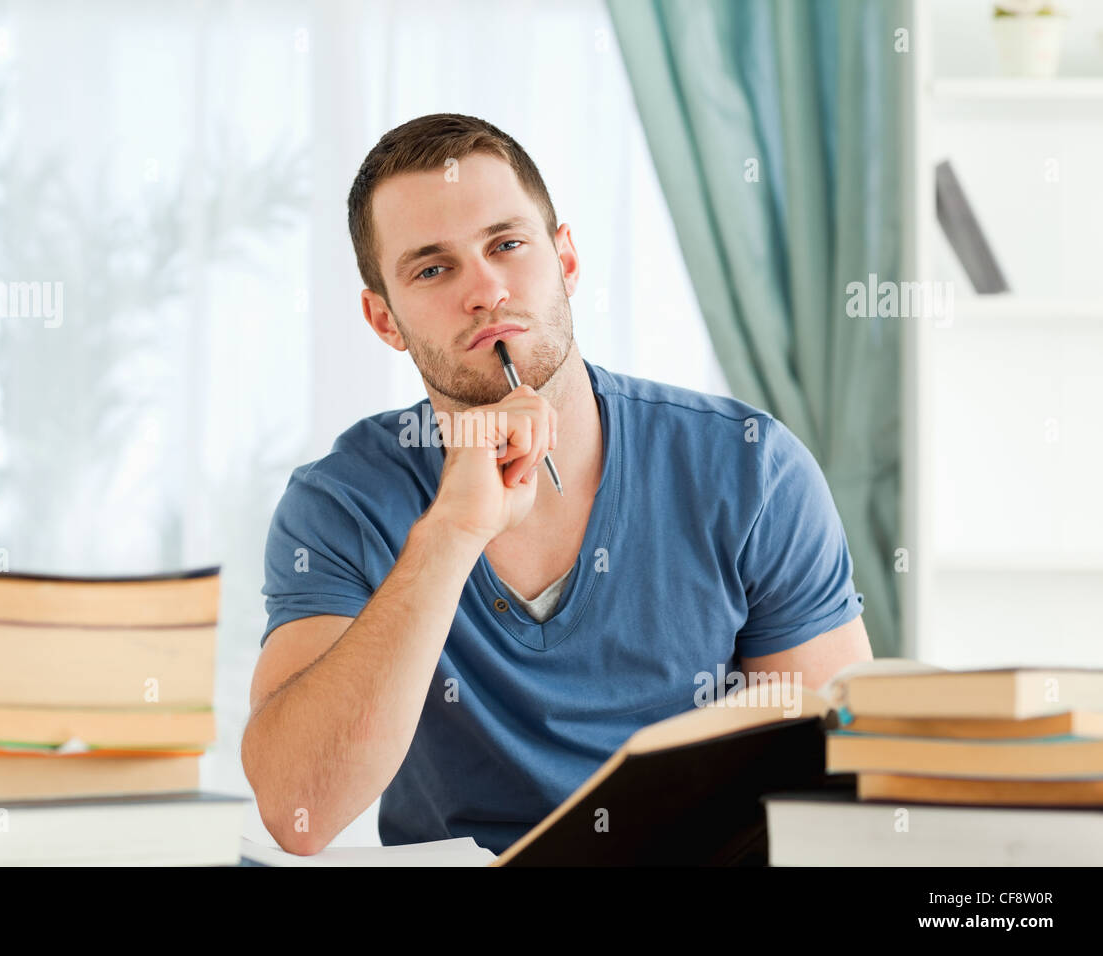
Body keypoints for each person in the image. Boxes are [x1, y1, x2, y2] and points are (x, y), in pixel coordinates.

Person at [242, 113, 872, 856]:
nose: (486, 290)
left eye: (507, 244)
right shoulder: (339, 503)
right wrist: (450, 535)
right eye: (433, 269)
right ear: (385, 319)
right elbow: (297, 810)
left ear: (565, 260)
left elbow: (845, 783)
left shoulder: (749, 468)